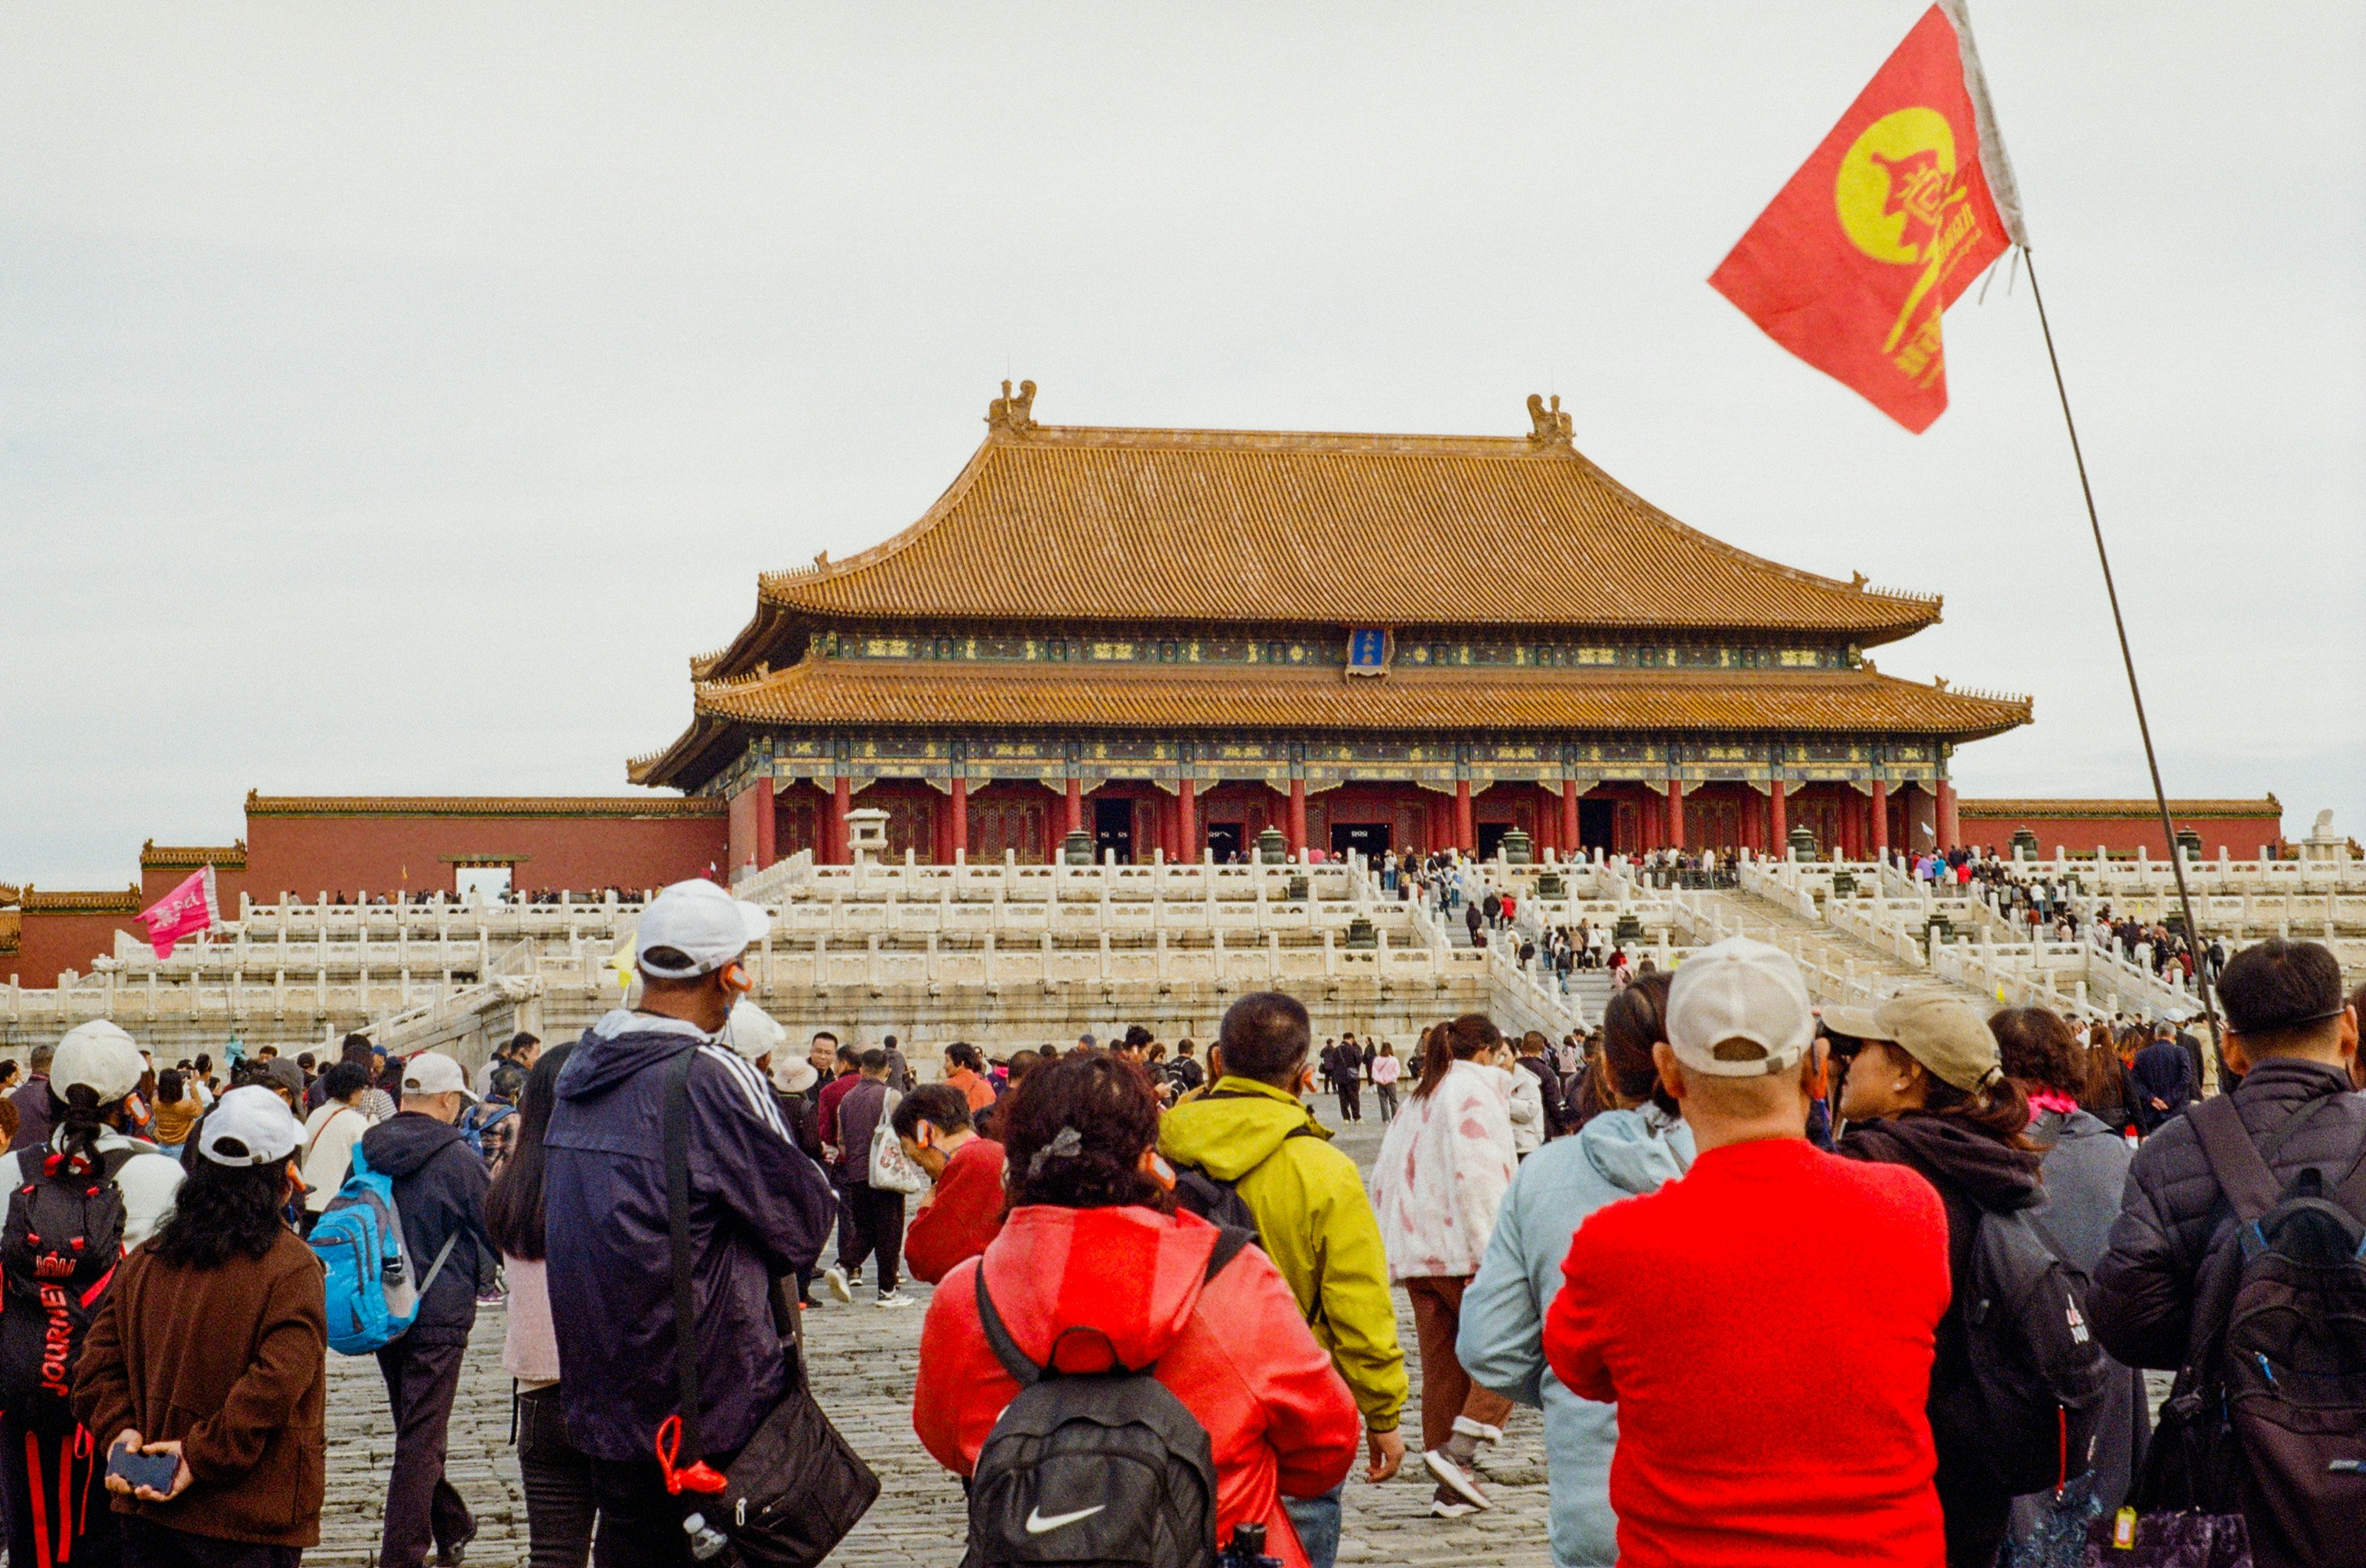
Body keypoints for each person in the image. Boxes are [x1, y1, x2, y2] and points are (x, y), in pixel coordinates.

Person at [1542, 936, 1949, 1568]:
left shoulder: (1614, 1243)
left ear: (1669, 1072)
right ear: (1817, 1071)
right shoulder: (1909, 1208)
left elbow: (1578, 1370)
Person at [912, 1053, 1361, 1568]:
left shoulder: (965, 1295)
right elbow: (1326, 1446)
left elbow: (945, 1442)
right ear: (1148, 1153)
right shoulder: (1234, 1278)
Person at [543, 879, 838, 1566]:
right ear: (729, 977)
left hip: (605, 1407)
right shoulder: (707, 1074)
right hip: (708, 1411)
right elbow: (804, 1221)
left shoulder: (575, 1074)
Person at [2090, 939, 2364, 1568]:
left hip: (2233, 1471)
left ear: (2231, 1047)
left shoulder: (2175, 1148)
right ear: (2347, 1028)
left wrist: (2227, 1331)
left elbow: (2124, 1321)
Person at [1158, 993, 1408, 1568]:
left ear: (1217, 1062)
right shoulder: (1324, 1171)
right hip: (1289, 1413)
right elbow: (1358, 1308)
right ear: (1304, 1076)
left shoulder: (1155, 1150)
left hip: (1170, 1404)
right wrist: (1383, 1414)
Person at [1460, 973, 1693, 1567]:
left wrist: (1572, 1382)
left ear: (1607, 1074)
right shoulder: (1750, 1166)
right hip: (1740, 1505)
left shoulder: (1544, 1174)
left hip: (1598, 1499)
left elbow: (1490, 1349)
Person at [1828, 991, 2041, 1568]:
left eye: (1863, 1048)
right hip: (1977, 1466)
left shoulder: (1871, 1171)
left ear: (1906, 1074)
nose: (1846, 1060)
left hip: (1898, 1473)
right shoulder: (1990, 1160)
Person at [73, 1086, 325, 1568]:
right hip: (247, 1520)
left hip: (148, 1511)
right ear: (284, 1178)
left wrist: (120, 1435)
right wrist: (198, 1456)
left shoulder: (148, 1258)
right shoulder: (292, 1267)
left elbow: (94, 1366)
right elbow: (276, 1385)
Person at [1, 1022, 189, 1568]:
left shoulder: (10, 1171)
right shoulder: (161, 1172)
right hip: (125, 1399)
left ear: (52, 1095)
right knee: (121, 1543)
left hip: (28, 1392)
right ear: (133, 1097)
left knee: (37, 1540)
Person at [1988, 1007, 2149, 1540]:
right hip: (2105, 1376)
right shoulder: (2114, 1155)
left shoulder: (1980, 1154)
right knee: (2104, 1530)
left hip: (2014, 1384)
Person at [1368, 1015, 1518, 1517]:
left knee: (1444, 1370)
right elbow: (1479, 1177)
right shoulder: (1472, 1093)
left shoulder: (1419, 1096)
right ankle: (1460, 1454)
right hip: (1466, 1246)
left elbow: (1386, 1175)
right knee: (1514, 1344)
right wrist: (1499, 1250)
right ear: (1485, 1053)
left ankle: (1449, 1490)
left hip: (1418, 1253)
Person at [361, 1049, 498, 1568]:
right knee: (421, 1438)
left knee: (413, 1428)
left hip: (384, 1306)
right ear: (447, 1099)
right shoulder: (457, 1157)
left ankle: (452, 1523)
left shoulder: (370, 1147)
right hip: (438, 1312)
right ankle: (404, 1554)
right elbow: (496, 1228)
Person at [483, 1045, 599, 1568]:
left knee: (553, 1553)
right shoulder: (610, 1181)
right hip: (611, 1388)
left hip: (538, 1392)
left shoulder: (512, 1184)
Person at [821, 1049, 913, 1308]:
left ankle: (843, 1266)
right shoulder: (890, 1096)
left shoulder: (846, 1100)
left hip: (856, 1174)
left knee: (867, 1229)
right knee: (890, 1231)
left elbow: (841, 1143)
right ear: (886, 1070)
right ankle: (887, 1289)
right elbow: (904, 1134)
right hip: (885, 1175)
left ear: (861, 1070)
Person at [894, 1085, 1005, 1285]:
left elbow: (924, 1257)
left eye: (905, 1146)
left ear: (925, 1132)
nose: (911, 1158)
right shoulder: (992, 1153)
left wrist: (926, 1208)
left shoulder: (971, 1163)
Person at [299, 1062, 375, 1230]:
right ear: (351, 1090)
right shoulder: (357, 1122)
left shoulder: (315, 1115)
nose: (363, 1094)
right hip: (338, 1205)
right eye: (361, 1088)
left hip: (309, 1202)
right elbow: (365, 1166)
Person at [2129, 1020, 2196, 1134]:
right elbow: (2185, 1079)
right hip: (2176, 1111)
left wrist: (2151, 1098)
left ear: (2156, 1036)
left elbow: (2136, 1081)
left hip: (2151, 1113)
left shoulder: (2142, 1055)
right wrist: (2169, 1100)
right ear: (2174, 1036)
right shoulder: (2181, 1052)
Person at [1513, 1031, 1573, 1142]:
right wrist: (1564, 1126)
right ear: (1542, 1047)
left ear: (1522, 1046)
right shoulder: (1546, 1072)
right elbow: (1554, 1103)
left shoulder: (1513, 1067)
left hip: (1514, 1128)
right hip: (1540, 1128)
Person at [8, 1041, 55, 1152]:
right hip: (44, 1164)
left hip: (15, 1164)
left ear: (32, 1064)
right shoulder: (53, 1097)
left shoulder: (13, 1097)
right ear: (54, 1065)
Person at [149, 1069, 201, 1158]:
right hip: (181, 1150)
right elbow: (199, 1109)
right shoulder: (186, 1106)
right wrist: (192, 1085)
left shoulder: (155, 1102)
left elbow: (156, 1095)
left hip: (160, 1147)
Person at [939, 1042, 997, 1115]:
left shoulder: (946, 1088)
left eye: (947, 1061)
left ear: (961, 1063)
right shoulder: (987, 1089)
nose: (944, 1066)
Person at [1371, 1041, 1401, 1123]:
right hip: (1391, 1082)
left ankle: (1385, 1119)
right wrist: (1388, 1080)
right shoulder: (1394, 1060)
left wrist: (1381, 1080)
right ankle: (1395, 1118)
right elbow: (1397, 1072)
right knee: (1394, 1101)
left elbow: (1374, 1072)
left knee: (1383, 1101)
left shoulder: (1377, 1059)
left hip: (1380, 1083)